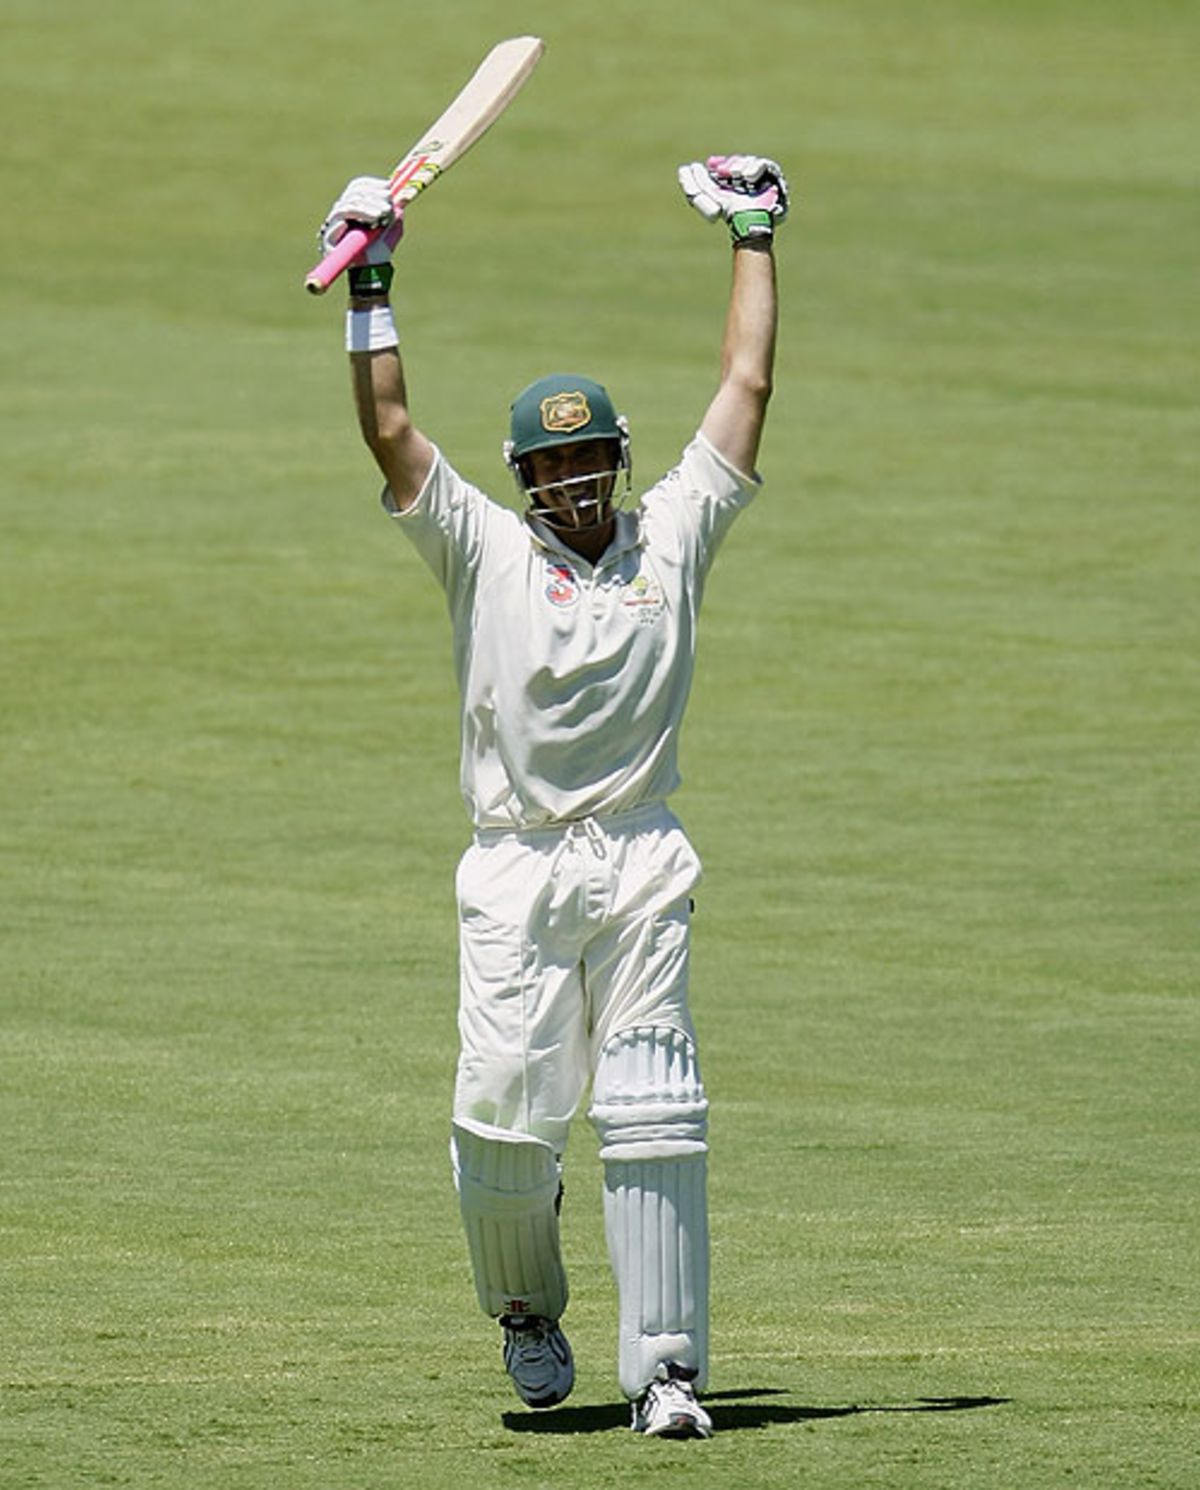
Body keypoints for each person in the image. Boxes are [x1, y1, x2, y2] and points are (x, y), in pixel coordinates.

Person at [318, 153, 786, 1439]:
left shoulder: (676, 530)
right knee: (507, 1131)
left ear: (620, 462)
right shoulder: (481, 546)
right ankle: (527, 1309)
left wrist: (752, 230)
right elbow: (392, 429)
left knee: (652, 1098)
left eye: (593, 463)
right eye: (556, 468)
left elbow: (745, 385)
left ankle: (669, 1368)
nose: (578, 486)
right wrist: (376, 281)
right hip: (516, 863)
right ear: (526, 479)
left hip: (641, 853)